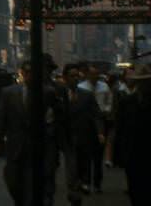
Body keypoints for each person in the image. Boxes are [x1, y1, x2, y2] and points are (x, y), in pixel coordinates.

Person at [0, 58, 69, 206]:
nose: (29, 76)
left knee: (35, 182)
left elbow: (60, 116)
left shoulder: (48, 92)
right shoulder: (9, 93)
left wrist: (55, 136)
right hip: (16, 145)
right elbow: (0, 119)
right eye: (26, 72)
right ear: (22, 73)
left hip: (39, 145)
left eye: (32, 73)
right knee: (12, 180)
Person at [111, 63, 151, 204]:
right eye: (143, 81)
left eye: (148, 81)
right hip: (132, 153)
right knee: (134, 190)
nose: (145, 85)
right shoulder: (127, 102)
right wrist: (118, 155)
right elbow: (120, 128)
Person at [62, 67, 103, 204]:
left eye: (77, 75)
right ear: (65, 78)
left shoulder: (87, 95)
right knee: (72, 165)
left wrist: (100, 132)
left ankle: (82, 182)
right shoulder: (58, 95)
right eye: (72, 76)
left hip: (85, 135)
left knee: (84, 162)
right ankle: (74, 190)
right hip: (67, 137)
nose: (75, 78)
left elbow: (96, 114)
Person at [77, 65, 112, 192]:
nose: (95, 76)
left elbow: (109, 101)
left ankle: (97, 183)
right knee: (86, 155)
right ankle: (86, 181)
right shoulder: (81, 88)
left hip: (101, 121)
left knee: (98, 156)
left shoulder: (104, 87)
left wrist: (106, 111)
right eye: (92, 74)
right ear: (87, 75)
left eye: (96, 74)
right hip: (86, 124)